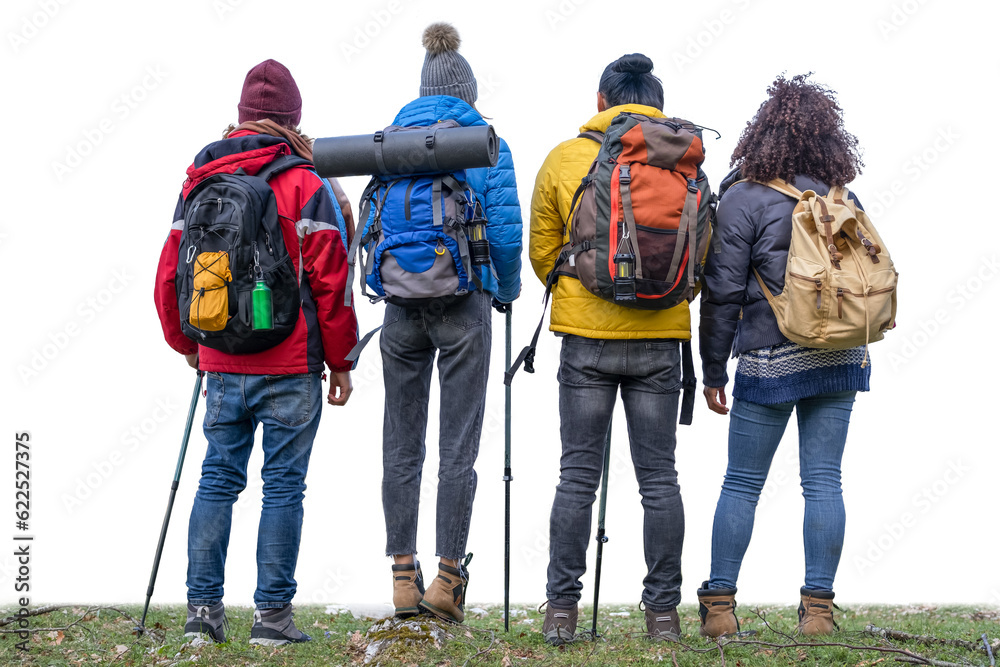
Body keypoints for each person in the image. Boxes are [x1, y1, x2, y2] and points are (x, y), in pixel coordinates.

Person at [154, 59, 358, 645]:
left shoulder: (199, 180)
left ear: (242, 115)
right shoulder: (306, 182)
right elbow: (332, 283)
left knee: (217, 478)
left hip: (220, 360)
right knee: (283, 487)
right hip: (292, 363)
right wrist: (341, 360)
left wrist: (188, 344)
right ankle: (272, 620)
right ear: (294, 118)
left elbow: (171, 272)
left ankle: (202, 615)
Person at [530, 53, 710, 644]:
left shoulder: (565, 158)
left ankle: (562, 613)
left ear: (601, 100)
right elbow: (699, 260)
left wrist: (585, 292)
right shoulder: (686, 164)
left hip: (585, 339)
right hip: (662, 340)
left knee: (577, 476)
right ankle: (663, 616)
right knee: (659, 479)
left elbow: (542, 253)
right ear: (655, 106)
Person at [697, 73, 869, 637]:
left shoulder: (744, 196)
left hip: (770, 357)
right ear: (828, 136)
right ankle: (818, 612)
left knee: (743, 482)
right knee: (824, 481)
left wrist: (713, 370)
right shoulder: (842, 196)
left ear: (762, 132)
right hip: (841, 356)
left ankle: (719, 609)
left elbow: (722, 291)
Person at [378, 23, 522, 624]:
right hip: (464, 304)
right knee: (457, 445)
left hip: (399, 308)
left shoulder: (387, 143)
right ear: (467, 93)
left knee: (400, 440)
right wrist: (506, 293)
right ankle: (447, 579)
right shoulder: (483, 141)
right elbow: (507, 233)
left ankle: (401, 576)